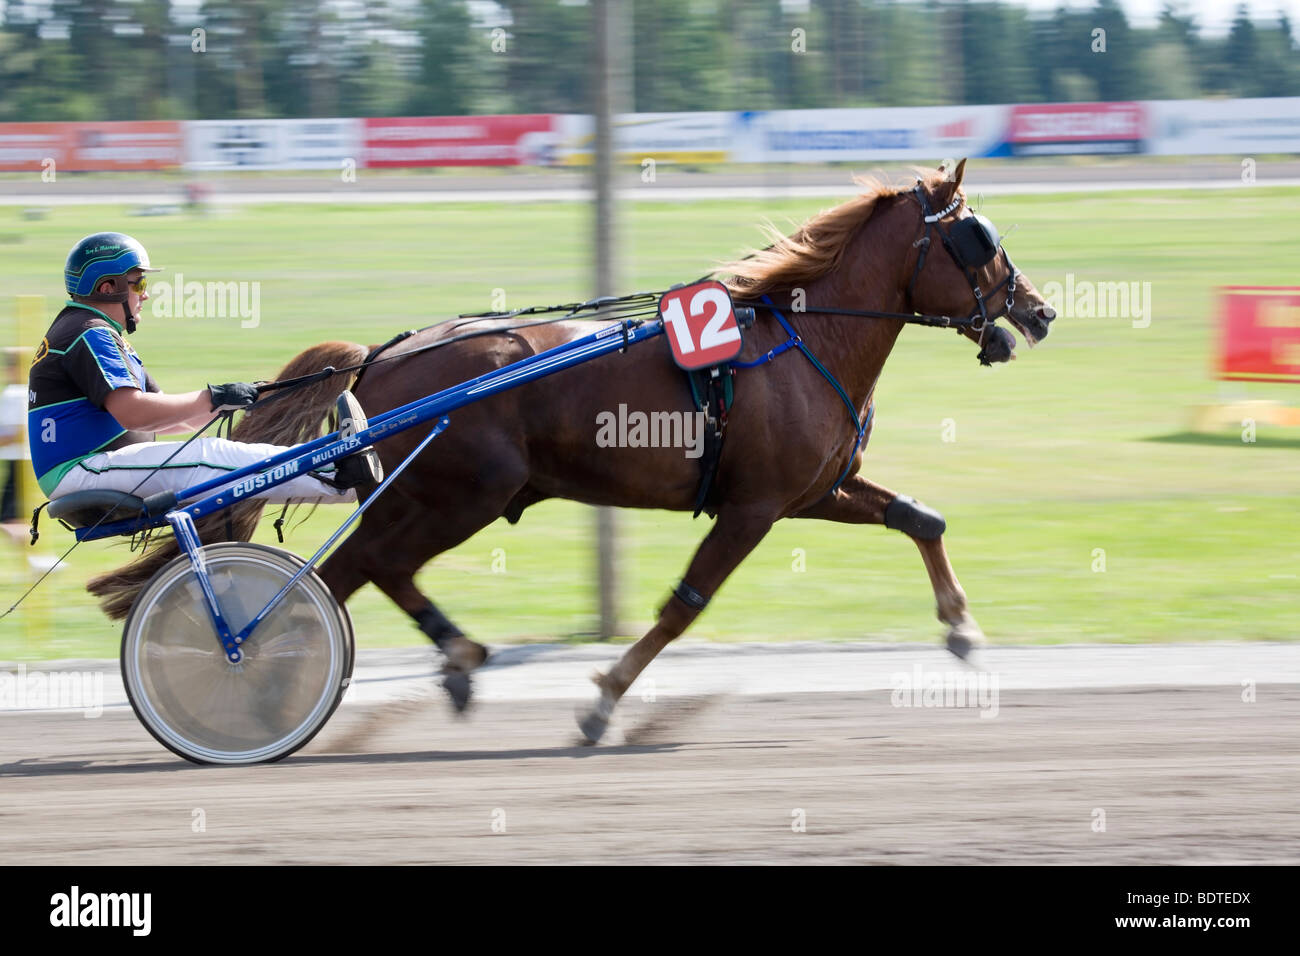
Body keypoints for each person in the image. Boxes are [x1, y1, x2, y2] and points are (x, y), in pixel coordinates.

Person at [28, 232, 380, 507]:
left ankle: (333, 468)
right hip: (81, 470)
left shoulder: (95, 334)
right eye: (140, 283)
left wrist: (230, 403)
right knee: (207, 458)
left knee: (212, 453)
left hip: (94, 465)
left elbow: (169, 418)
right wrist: (210, 396)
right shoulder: (89, 333)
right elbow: (134, 414)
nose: (145, 295)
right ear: (108, 288)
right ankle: (338, 473)